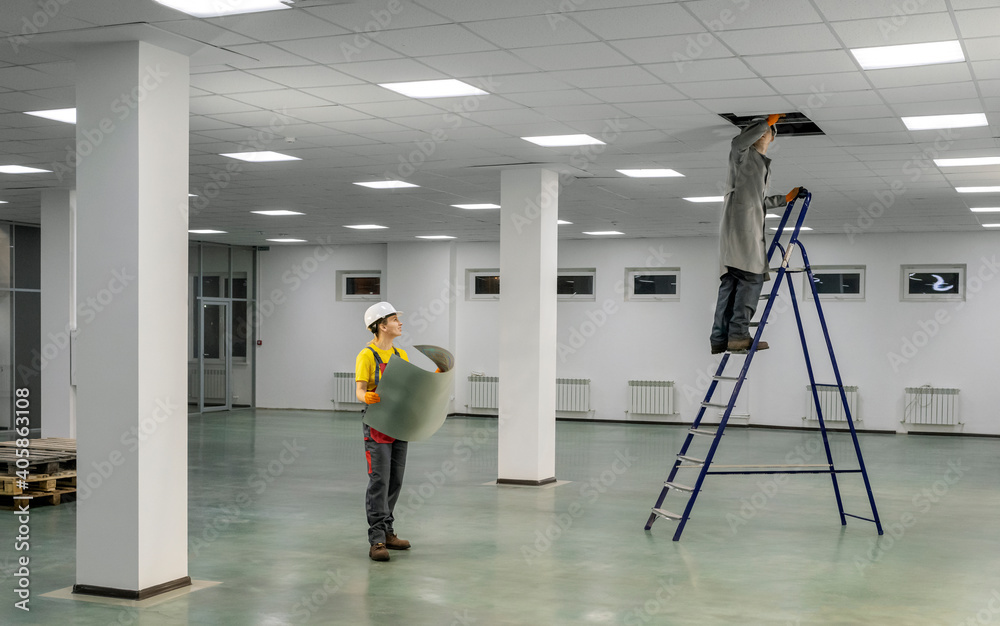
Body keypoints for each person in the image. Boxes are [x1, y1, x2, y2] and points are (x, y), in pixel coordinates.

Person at [711, 113, 808, 354]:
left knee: (730, 285)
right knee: (751, 279)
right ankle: (738, 336)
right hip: (741, 232)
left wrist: (785, 199)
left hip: (742, 231)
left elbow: (758, 201)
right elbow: (737, 142)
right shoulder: (743, 156)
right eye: (761, 130)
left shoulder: (760, 164)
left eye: (766, 130)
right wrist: (767, 121)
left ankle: (720, 338)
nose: (765, 132)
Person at [356, 301, 411, 562]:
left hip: (398, 424)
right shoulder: (366, 355)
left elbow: (409, 389)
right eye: (394, 319)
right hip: (377, 425)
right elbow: (359, 390)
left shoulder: (401, 356)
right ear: (381, 325)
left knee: (395, 480)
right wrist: (365, 396)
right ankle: (376, 539)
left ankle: (388, 531)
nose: (399, 323)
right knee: (379, 480)